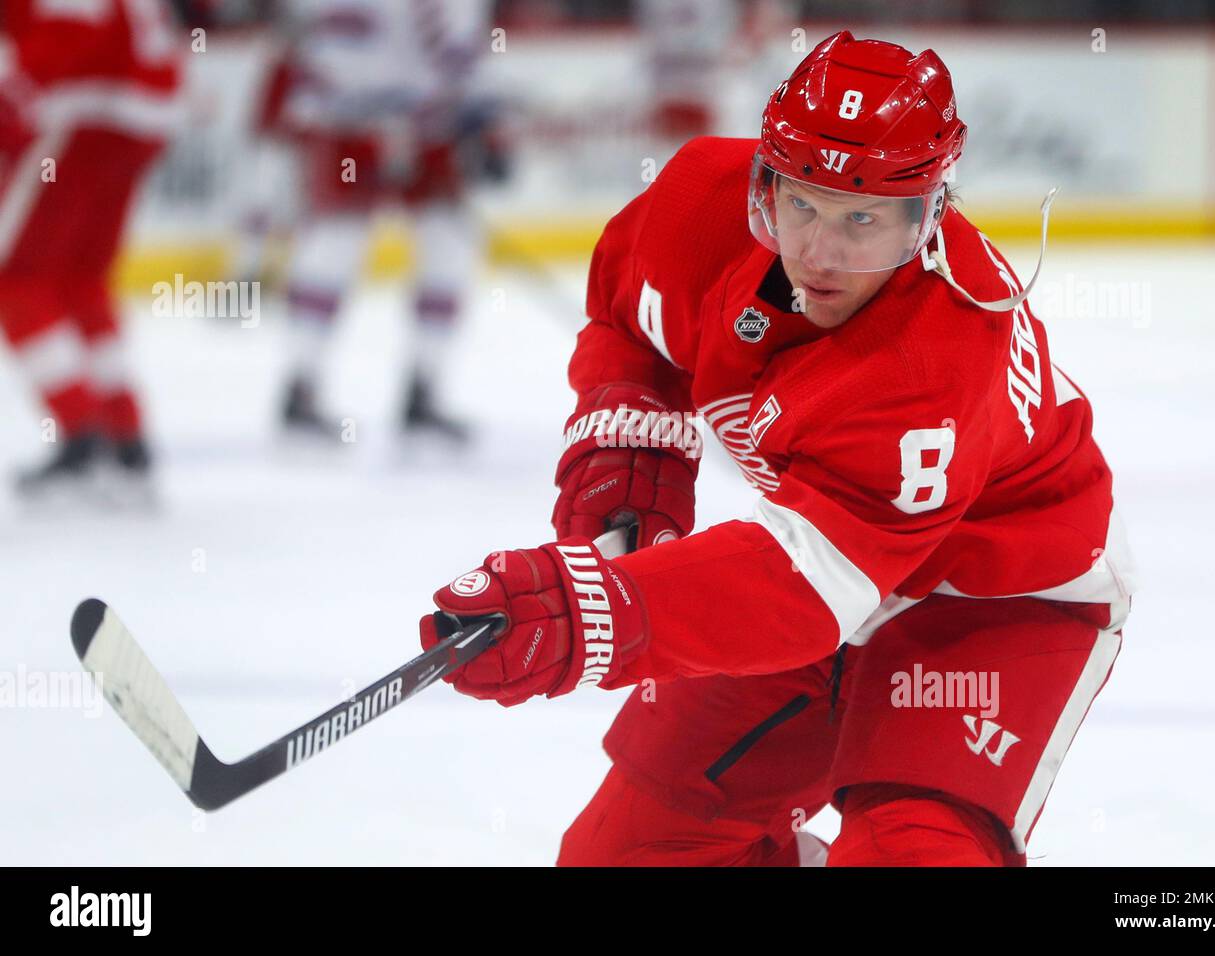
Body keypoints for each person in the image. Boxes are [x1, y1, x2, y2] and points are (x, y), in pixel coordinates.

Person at [424, 32, 1137, 867]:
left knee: (912, 853)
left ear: (929, 215)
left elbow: (803, 589)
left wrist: (585, 610)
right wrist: (633, 448)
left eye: (863, 221)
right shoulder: (699, 200)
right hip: (821, 562)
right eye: (798, 204)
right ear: (764, 177)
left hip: (992, 598)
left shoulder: (934, 359)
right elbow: (630, 316)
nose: (818, 254)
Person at [271, 0, 503, 444]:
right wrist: (483, 120)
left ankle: (306, 385)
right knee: (422, 248)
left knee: (342, 248)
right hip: (408, 122)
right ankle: (414, 389)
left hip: (348, 118)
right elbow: (454, 47)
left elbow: (298, 38)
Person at [0, 0, 183, 503]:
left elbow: (71, 25)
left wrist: (12, 103)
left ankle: (85, 439)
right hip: (133, 113)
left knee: (20, 280)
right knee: (78, 280)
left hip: (86, 111)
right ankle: (125, 441)